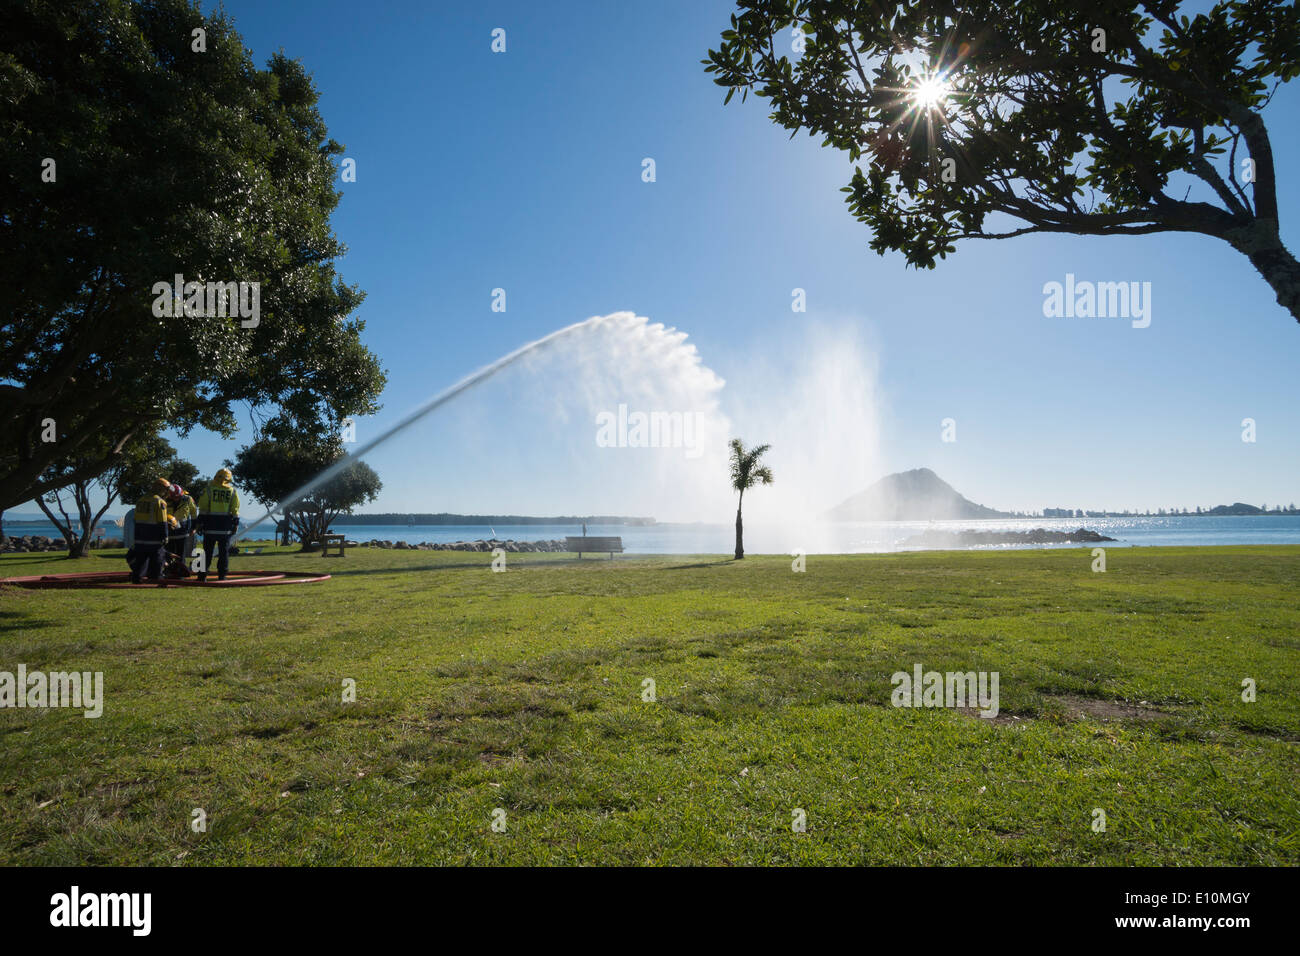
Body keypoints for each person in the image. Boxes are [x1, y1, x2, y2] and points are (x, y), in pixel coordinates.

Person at [128, 478, 178, 584]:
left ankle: (137, 579)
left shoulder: (140, 501)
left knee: (141, 561)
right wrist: (165, 536)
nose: (167, 493)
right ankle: (157, 579)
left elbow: (136, 520)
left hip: (140, 538)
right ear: (160, 489)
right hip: (154, 539)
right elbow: (162, 522)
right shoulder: (159, 502)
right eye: (166, 490)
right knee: (157, 560)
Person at [195, 468, 241, 582]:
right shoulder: (232, 491)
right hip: (225, 528)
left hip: (210, 526)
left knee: (206, 553)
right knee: (223, 553)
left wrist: (200, 523)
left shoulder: (209, 490)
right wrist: (235, 524)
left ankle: (202, 577)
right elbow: (235, 510)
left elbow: (203, 508)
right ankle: (222, 576)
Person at [165, 483, 198, 576]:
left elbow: (194, 513)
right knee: (169, 553)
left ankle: (181, 572)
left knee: (181, 553)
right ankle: (168, 571)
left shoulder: (188, 499)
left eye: (178, 497)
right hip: (169, 531)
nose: (176, 499)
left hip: (183, 531)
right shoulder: (165, 500)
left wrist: (194, 528)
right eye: (174, 497)